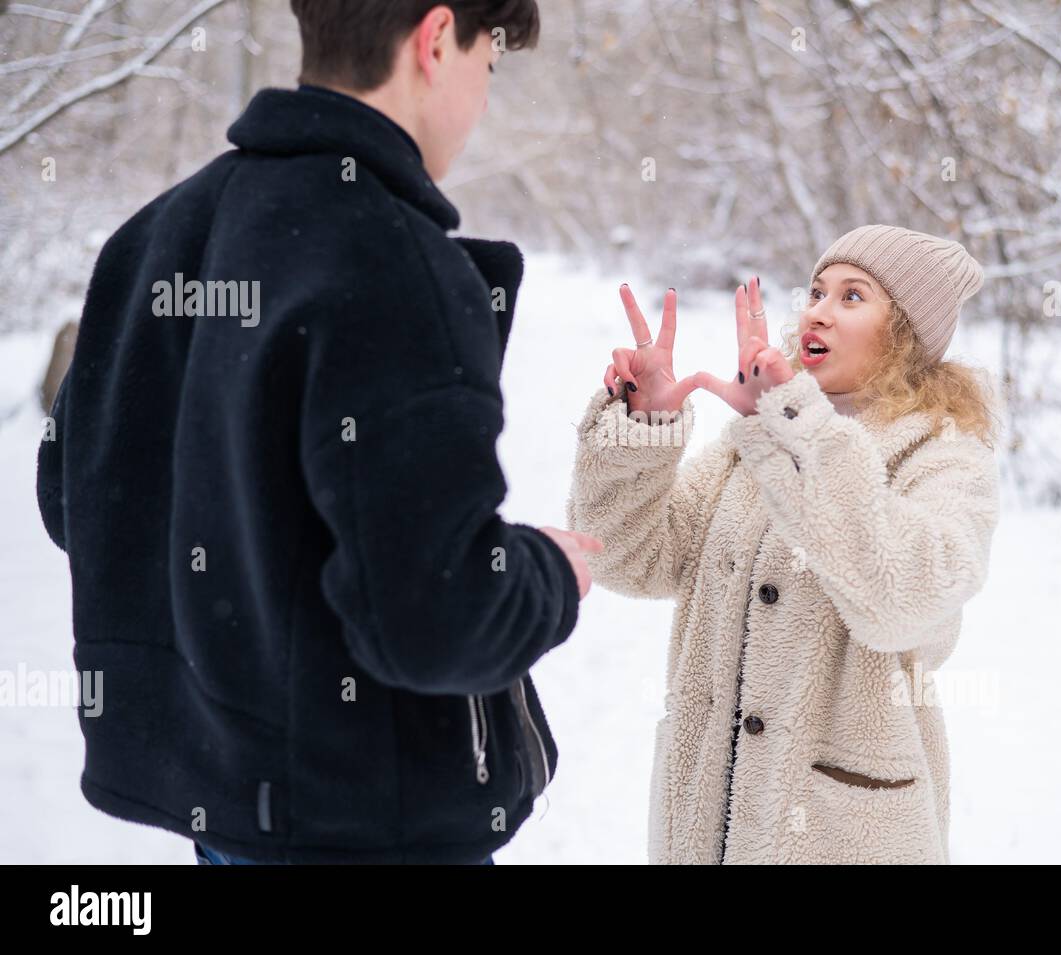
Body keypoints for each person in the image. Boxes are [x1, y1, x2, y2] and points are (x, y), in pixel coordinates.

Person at [36, 0, 600, 865]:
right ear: (437, 40)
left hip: (231, 815)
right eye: (489, 69)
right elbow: (433, 614)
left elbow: (75, 501)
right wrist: (551, 572)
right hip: (367, 829)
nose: (483, 106)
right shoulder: (395, 263)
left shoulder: (150, 239)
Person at [567, 225, 1001, 863]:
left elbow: (899, 600)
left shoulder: (944, 455)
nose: (817, 310)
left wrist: (796, 429)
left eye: (853, 297)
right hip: (705, 829)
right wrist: (646, 424)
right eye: (818, 290)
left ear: (906, 332)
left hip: (842, 835)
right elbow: (633, 558)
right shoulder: (762, 439)